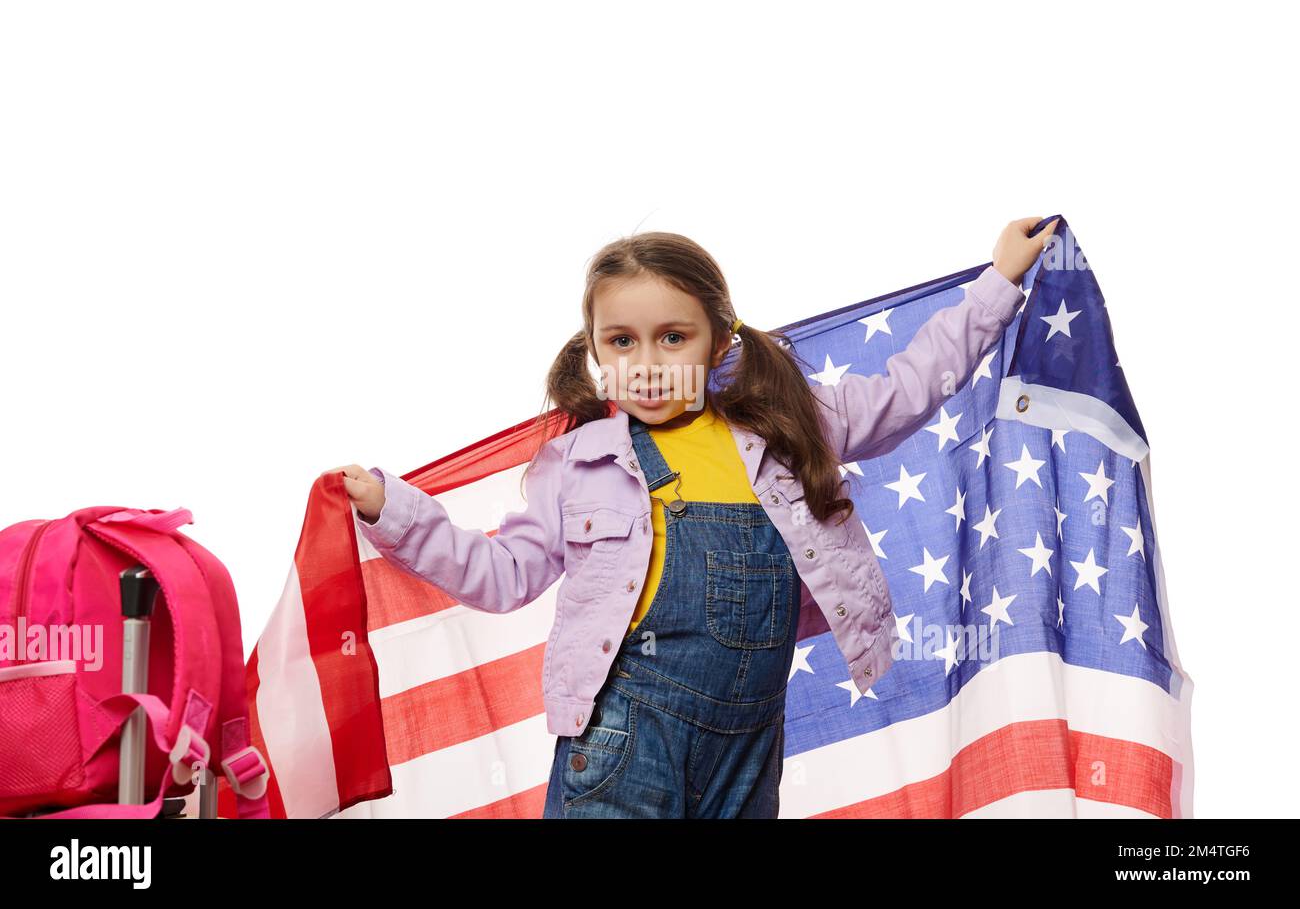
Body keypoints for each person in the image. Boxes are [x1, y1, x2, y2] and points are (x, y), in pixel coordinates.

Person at [327, 216, 1057, 818]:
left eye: (673, 337)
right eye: (622, 341)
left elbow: (907, 388)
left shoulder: (785, 427)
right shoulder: (577, 463)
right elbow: (498, 575)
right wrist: (394, 509)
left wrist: (997, 283)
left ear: (719, 339)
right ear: (596, 352)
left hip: (746, 747)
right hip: (620, 742)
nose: (647, 361)